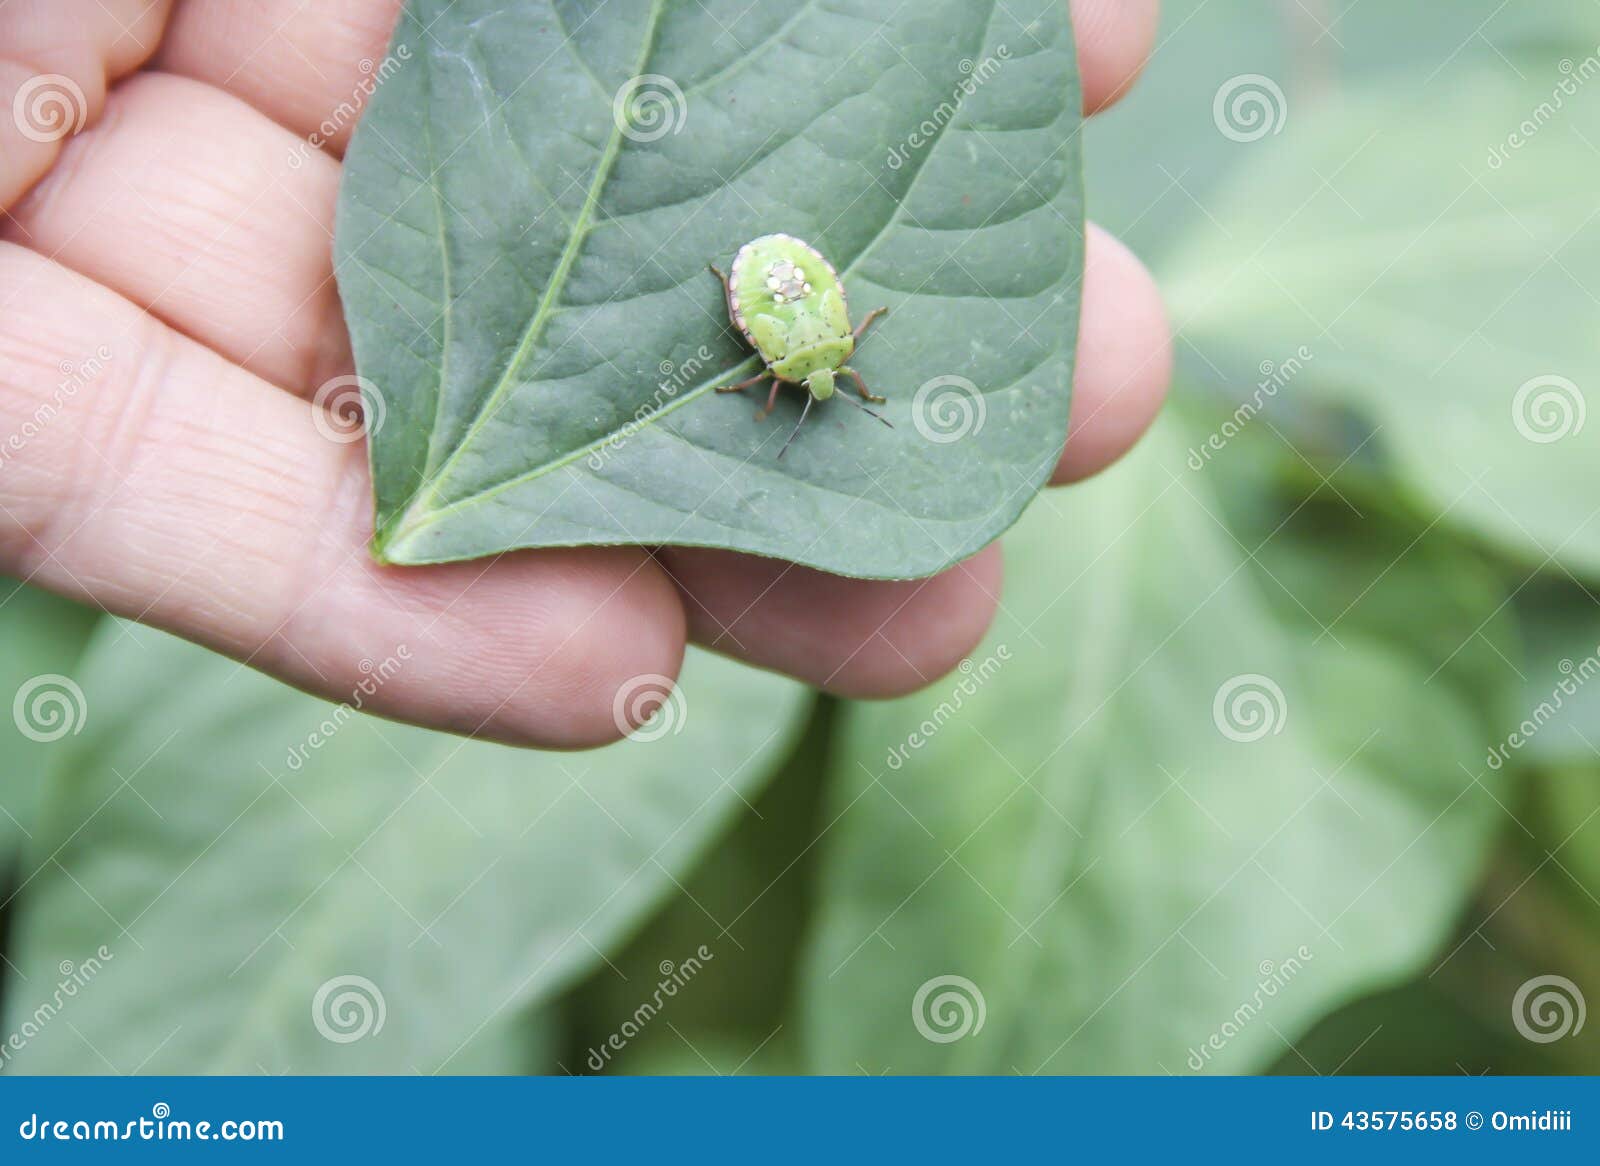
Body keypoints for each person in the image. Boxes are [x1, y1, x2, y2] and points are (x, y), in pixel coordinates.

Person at [0, 0, 1170, 748]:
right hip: (770, 283)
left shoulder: (809, 357)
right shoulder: (807, 358)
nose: (821, 387)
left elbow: (774, 309)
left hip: (765, 280)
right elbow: (782, 315)